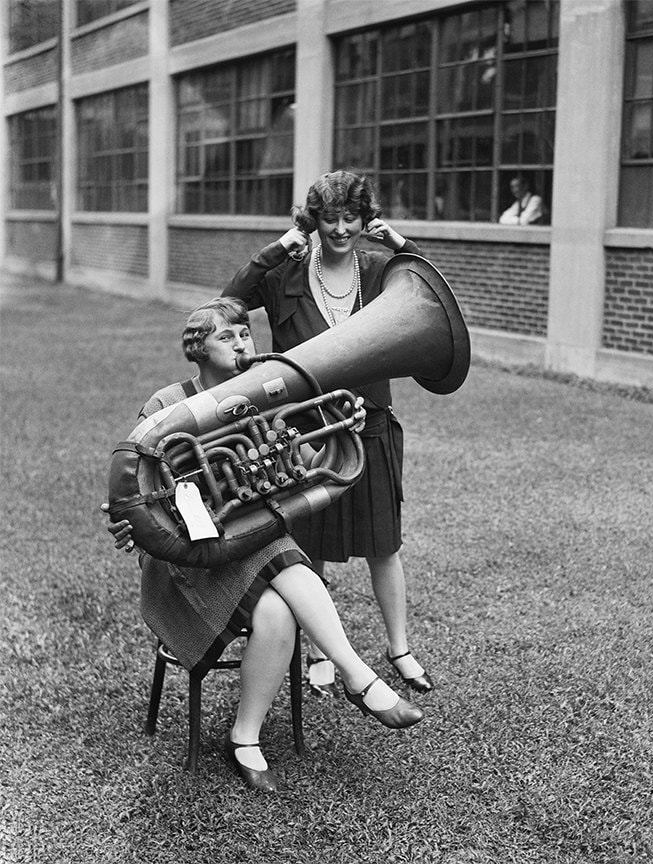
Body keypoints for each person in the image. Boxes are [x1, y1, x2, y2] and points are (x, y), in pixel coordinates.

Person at [104, 297, 423, 794]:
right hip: (185, 565)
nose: (240, 342)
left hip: (246, 542)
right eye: (224, 336)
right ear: (197, 350)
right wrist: (128, 523)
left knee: (278, 606)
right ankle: (360, 679)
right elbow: (131, 484)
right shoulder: (167, 406)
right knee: (279, 550)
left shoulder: (266, 396)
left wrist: (343, 428)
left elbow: (300, 464)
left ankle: (244, 739)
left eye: (244, 333)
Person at [223, 170, 434, 697]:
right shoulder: (285, 274)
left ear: (366, 218)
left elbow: (432, 293)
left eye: (351, 218)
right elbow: (229, 302)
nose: (341, 229)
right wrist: (274, 251)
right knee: (308, 541)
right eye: (329, 218)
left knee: (384, 544)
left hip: (372, 422)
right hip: (304, 432)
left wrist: (403, 245)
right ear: (312, 220)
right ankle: (319, 651)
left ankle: (400, 648)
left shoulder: (383, 268)